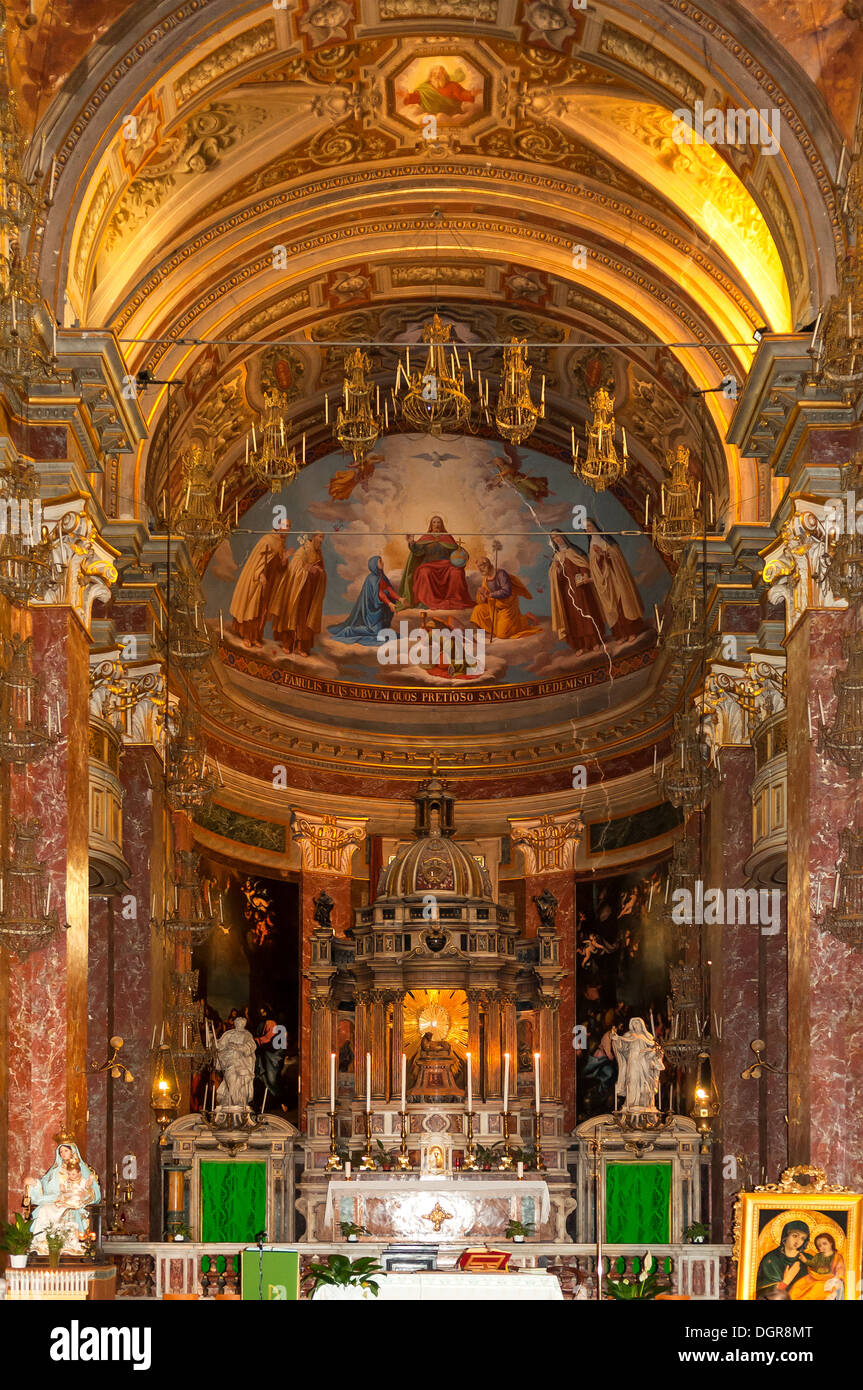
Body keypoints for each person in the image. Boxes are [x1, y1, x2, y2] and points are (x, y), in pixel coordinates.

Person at [27, 1141, 101, 1256]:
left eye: (65, 1150)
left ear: (72, 1151)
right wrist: (35, 1183)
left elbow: (91, 1188)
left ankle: (69, 1246)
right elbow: (44, 1183)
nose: (62, 1154)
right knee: (43, 1209)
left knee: (67, 1210)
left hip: (73, 1200)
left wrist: (83, 1195)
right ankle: (42, 1244)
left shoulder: (81, 1168)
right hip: (55, 1199)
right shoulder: (55, 1169)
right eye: (60, 1151)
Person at [229, 520, 291, 647]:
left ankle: (255, 636)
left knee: (263, 610)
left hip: (270, 583)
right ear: (279, 526)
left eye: (289, 526)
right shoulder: (267, 539)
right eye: (286, 526)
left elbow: (279, 568)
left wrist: (284, 562)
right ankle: (247, 636)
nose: (288, 529)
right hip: (258, 580)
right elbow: (257, 561)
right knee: (253, 607)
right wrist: (259, 574)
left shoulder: (281, 544)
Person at [584, 518, 648, 641]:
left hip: (616, 577)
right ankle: (621, 634)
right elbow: (594, 566)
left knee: (623, 603)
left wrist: (604, 553)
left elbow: (616, 557)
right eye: (586, 528)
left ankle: (632, 631)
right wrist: (598, 558)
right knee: (612, 608)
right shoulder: (591, 545)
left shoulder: (607, 540)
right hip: (606, 583)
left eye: (590, 525)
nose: (588, 529)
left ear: (595, 525)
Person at [269, 531, 327, 654]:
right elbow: (295, 566)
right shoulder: (303, 550)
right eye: (320, 537)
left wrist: (319, 573)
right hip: (298, 591)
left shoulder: (319, 554)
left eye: (323, 537)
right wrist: (308, 569)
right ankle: (288, 644)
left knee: (306, 619)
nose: (321, 540)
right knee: (293, 616)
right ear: (313, 536)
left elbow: (321, 571)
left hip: (310, 593)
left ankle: (301, 646)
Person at [548, 531, 606, 653]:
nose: (556, 539)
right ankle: (580, 646)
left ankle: (595, 641)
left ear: (563, 536)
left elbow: (583, 564)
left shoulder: (574, 551)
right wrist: (557, 570)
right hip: (566, 593)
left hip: (580, 589)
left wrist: (585, 574)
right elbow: (554, 578)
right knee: (573, 619)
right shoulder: (555, 557)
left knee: (587, 613)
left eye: (557, 536)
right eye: (553, 538)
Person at [400, 516, 472, 609]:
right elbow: (417, 551)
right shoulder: (426, 537)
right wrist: (412, 543)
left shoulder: (447, 537)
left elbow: (455, 550)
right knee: (424, 573)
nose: (436, 525)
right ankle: (426, 601)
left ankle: (455, 600)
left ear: (442, 524)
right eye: (434, 522)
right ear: (431, 525)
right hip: (429, 565)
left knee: (456, 572)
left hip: (446, 565)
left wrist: (462, 554)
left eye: (438, 522)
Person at [330, 555, 400, 645]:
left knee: (381, 632)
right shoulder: (372, 579)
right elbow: (380, 594)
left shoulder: (381, 576)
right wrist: (390, 603)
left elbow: (388, 589)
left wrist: (399, 598)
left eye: (382, 561)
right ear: (374, 564)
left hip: (380, 609)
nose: (383, 563)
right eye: (380, 561)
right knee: (376, 633)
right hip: (372, 611)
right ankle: (350, 630)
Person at [470, 556, 539, 639]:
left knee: (503, 634)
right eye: (478, 568)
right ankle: (489, 632)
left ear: (487, 564)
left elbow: (507, 591)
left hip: (506, 607)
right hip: (494, 607)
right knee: (478, 610)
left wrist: (491, 595)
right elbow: (486, 599)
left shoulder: (501, 574)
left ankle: (526, 619)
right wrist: (483, 596)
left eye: (481, 567)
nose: (480, 570)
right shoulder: (486, 579)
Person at [756, 1220, 812, 1299]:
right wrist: (786, 1281)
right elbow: (763, 1293)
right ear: (786, 1236)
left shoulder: (808, 1259)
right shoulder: (771, 1259)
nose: (798, 1241)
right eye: (795, 1236)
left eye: (802, 1238)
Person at [788, 1232, 845, 1300]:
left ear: (831, 1243)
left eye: (824, 1244)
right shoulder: (818, 1256)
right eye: (819, 1245)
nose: (822, 1247)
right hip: (815, 1277)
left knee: (816, 1288)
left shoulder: (837, 1257)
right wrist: (805, 1260)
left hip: (828, 1279)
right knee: (799, 1285)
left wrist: (835, 1279)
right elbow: (813, 1264)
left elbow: (840, 1270)